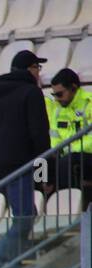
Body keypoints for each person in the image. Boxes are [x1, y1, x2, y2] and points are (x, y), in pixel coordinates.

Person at [0, 50, 51, 268]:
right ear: (30, 70)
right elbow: (40, 138)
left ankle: (12, 265)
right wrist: (45, 176)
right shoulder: (31, 94)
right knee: (25, 217)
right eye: (37, 68)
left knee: (25, 215)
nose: (39, 73)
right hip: (19, 166)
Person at [47, 68, 92, 198]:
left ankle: (70, 204)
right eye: (54, 95)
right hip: (69, 156)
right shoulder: (58, 111)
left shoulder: (90, 104)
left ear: (73, 88)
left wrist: (68, 150)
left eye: (60, 94)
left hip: (86, 155)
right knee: (41, 163)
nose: (56, 99)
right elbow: (55, 139)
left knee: (67, 162)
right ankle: (45, 193)